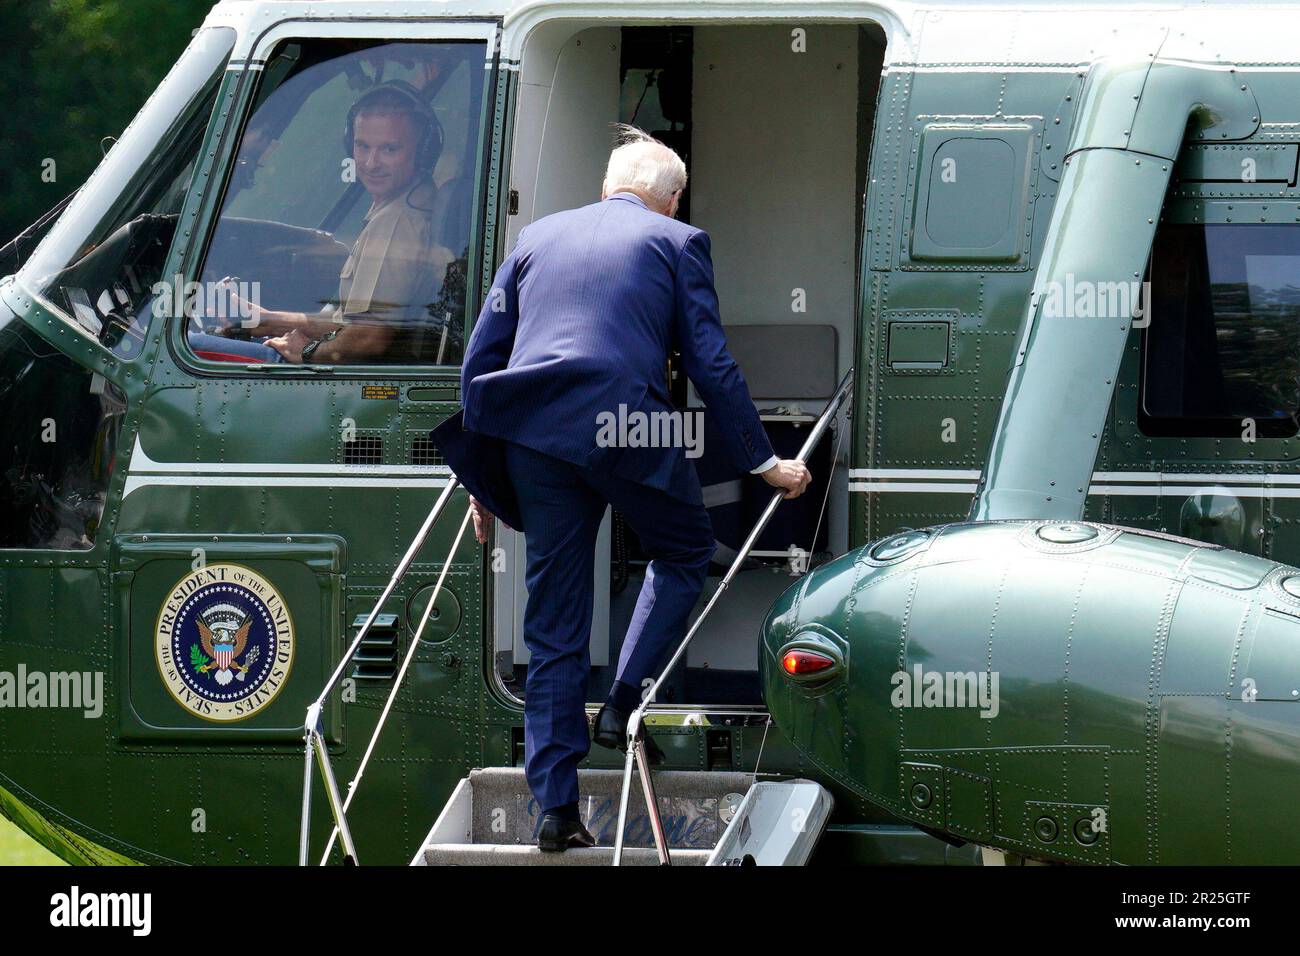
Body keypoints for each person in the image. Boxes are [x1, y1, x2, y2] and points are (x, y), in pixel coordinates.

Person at [433, 125, 811, 852]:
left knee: (551, 627)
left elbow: (480, 362)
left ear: (606, 188)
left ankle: (554, 809)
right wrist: (765, 464)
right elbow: (710, 362)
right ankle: (624, 700)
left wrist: (479, 478)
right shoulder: (678, 243)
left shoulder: (538, 238)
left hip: (533, 439)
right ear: (671, 202)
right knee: (683, 548)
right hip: (630, 429)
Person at [193, 81, 455, 364]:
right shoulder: (406, 201)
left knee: (194, 347)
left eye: (389, 149)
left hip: (356, 383)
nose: (370, 162)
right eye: (362, 145)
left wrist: (305, 352)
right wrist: (266, 319)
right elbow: (350, 322)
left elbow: (369, 337)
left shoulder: (396, 221)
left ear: (423, 151)